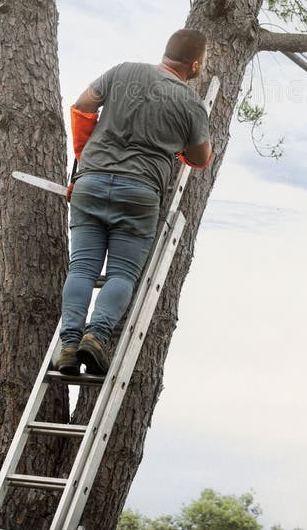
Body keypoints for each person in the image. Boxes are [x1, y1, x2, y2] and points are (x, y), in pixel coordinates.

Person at [57, 29, 213, 376]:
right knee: (122, 273)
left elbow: (83, 105)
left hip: (91, 182)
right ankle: (95, 338)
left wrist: (85, 157)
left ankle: (68, 345)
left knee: (81, 268)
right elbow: (201, 158)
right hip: (140, 193)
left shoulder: (124, 71)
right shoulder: (191, 103)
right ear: (196, 64)